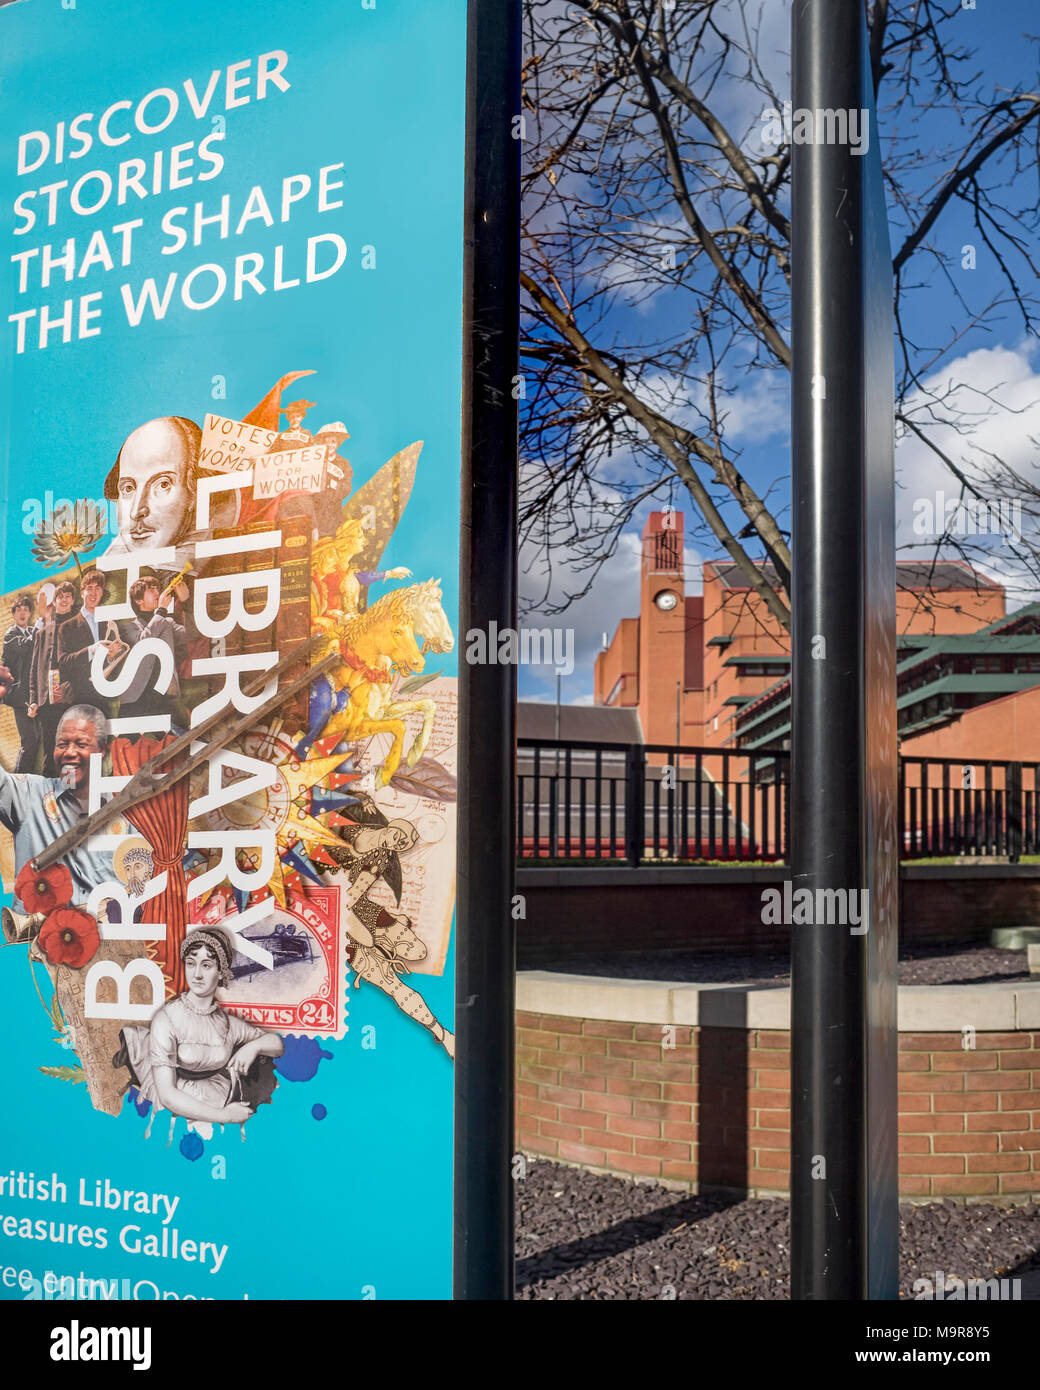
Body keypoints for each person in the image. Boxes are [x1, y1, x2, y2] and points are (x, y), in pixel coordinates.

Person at [114, 927, 283, 1127]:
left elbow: (277, 1044)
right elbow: (167, 1095)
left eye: (206, 965)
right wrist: (226, 1116)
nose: (197, 974)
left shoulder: (227, 1024)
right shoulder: (167, 1018)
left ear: (221, 972)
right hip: (180, 1111)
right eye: (191, 964)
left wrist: (252, 1047)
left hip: (221, 1100)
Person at [0, 704, 115, 909]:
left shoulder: (125, 813)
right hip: (30, 938)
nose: (69, 752)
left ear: (102, 750)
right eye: (62, 744)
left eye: (81, 744)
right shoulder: (30, 793)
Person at [117, 575, 189, 721]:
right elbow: (143, 644)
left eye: (157, 588)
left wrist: (187, 603)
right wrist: (161, 610)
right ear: (138, 600)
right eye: (151, 589)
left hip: (163, 697)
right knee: (128, 743)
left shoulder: (167, 622)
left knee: (180, 739)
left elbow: (191, 634)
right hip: (136, 701)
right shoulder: (128, 627)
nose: (157, 593)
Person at [27, 580, 77, 778]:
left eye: (68, 597)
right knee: (49, 749)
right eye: (60, 597)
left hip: (70, 698)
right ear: (53, 602)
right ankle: (49, 797)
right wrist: (33, 699)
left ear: (73, 601)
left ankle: (70, 792)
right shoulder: (42, 633)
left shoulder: (78, 626)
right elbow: (34, 669)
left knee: (70, 748)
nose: (64, 601)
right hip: (47, 700)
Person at [57, 569, 122, 708]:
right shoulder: (67, 627)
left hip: (103, 697)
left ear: (102, 592)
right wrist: (92, 650)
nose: (93, 593)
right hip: (77, 696)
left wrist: (111, 656)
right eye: (89, 588)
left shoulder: (109, 624)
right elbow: (63, 661)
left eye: (98, 588)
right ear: (82, 592)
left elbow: (114, 663)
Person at [2, 594, 39, 772]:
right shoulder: (11, 635)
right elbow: (26, 647)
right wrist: (39, 628)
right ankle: (19, 780)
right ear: (13, 614)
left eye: (26, 609)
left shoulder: (33, 631)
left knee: (36, 740)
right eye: (19, 610)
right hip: (20, 696)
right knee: (29, 740)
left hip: (34, 693)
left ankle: (26, 779)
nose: (23, 613)